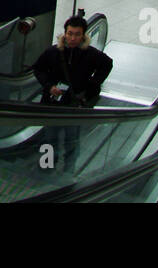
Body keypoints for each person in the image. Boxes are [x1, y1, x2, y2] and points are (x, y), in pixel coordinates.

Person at [32, 15, 114, 172]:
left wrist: (92, 85)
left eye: (77, 34)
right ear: (65, 33)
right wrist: (49, 86)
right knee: (50, 138)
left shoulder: (90, 54)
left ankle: (68, 169)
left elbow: (107, 64)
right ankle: (47, 166)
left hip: (74, 105)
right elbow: (38, 68)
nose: (72, 38)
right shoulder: (53, 52)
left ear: (83, 35)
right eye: (69, 33)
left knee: (72, 138)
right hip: (53, 104)